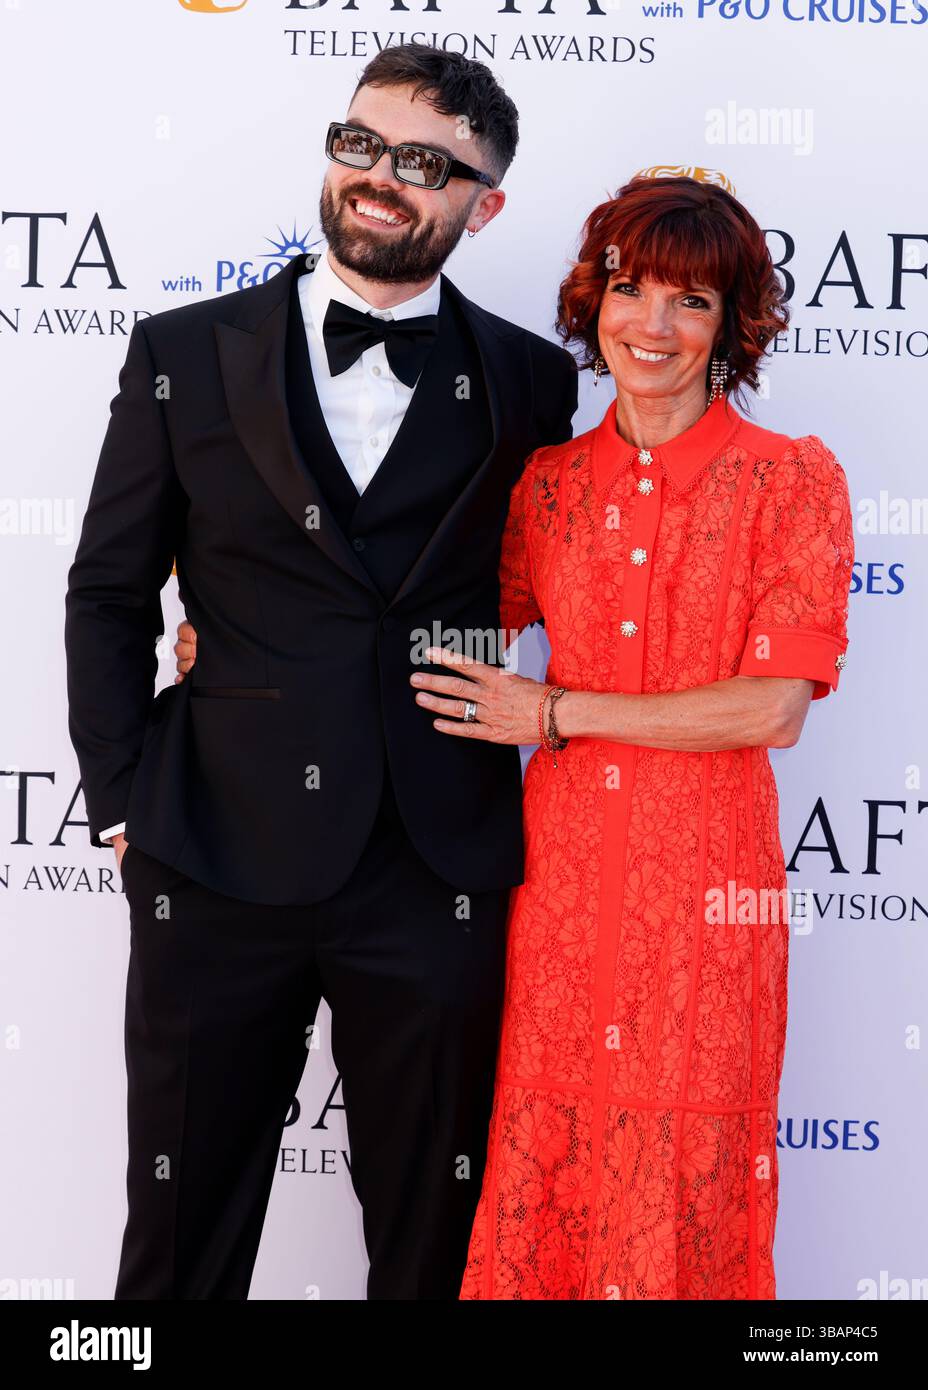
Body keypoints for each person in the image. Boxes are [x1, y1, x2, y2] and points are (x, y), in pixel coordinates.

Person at [64, 43, 577, 1301]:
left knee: (430, 1231)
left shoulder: (531, 380)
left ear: (482, 203)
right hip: (212, 844)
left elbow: (516, 593)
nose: (380, 179)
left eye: (424, 163)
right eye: (361, 144)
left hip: (431, 859)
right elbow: (109, 592)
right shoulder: (184, 348)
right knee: (179, 1231)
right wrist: (127, 799)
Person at [403, 175, 855, 1298]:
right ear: (593, 301)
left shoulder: (791, 480)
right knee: (545, 1153)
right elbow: (442, 630)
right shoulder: (545, 485)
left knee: (683, 1169)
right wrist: (242, 632)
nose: (652, 326)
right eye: (631, 289)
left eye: (690, 301)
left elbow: (773, 708)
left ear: (732, 324)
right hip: (553, 898)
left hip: (706, 904)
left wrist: (556, 711)